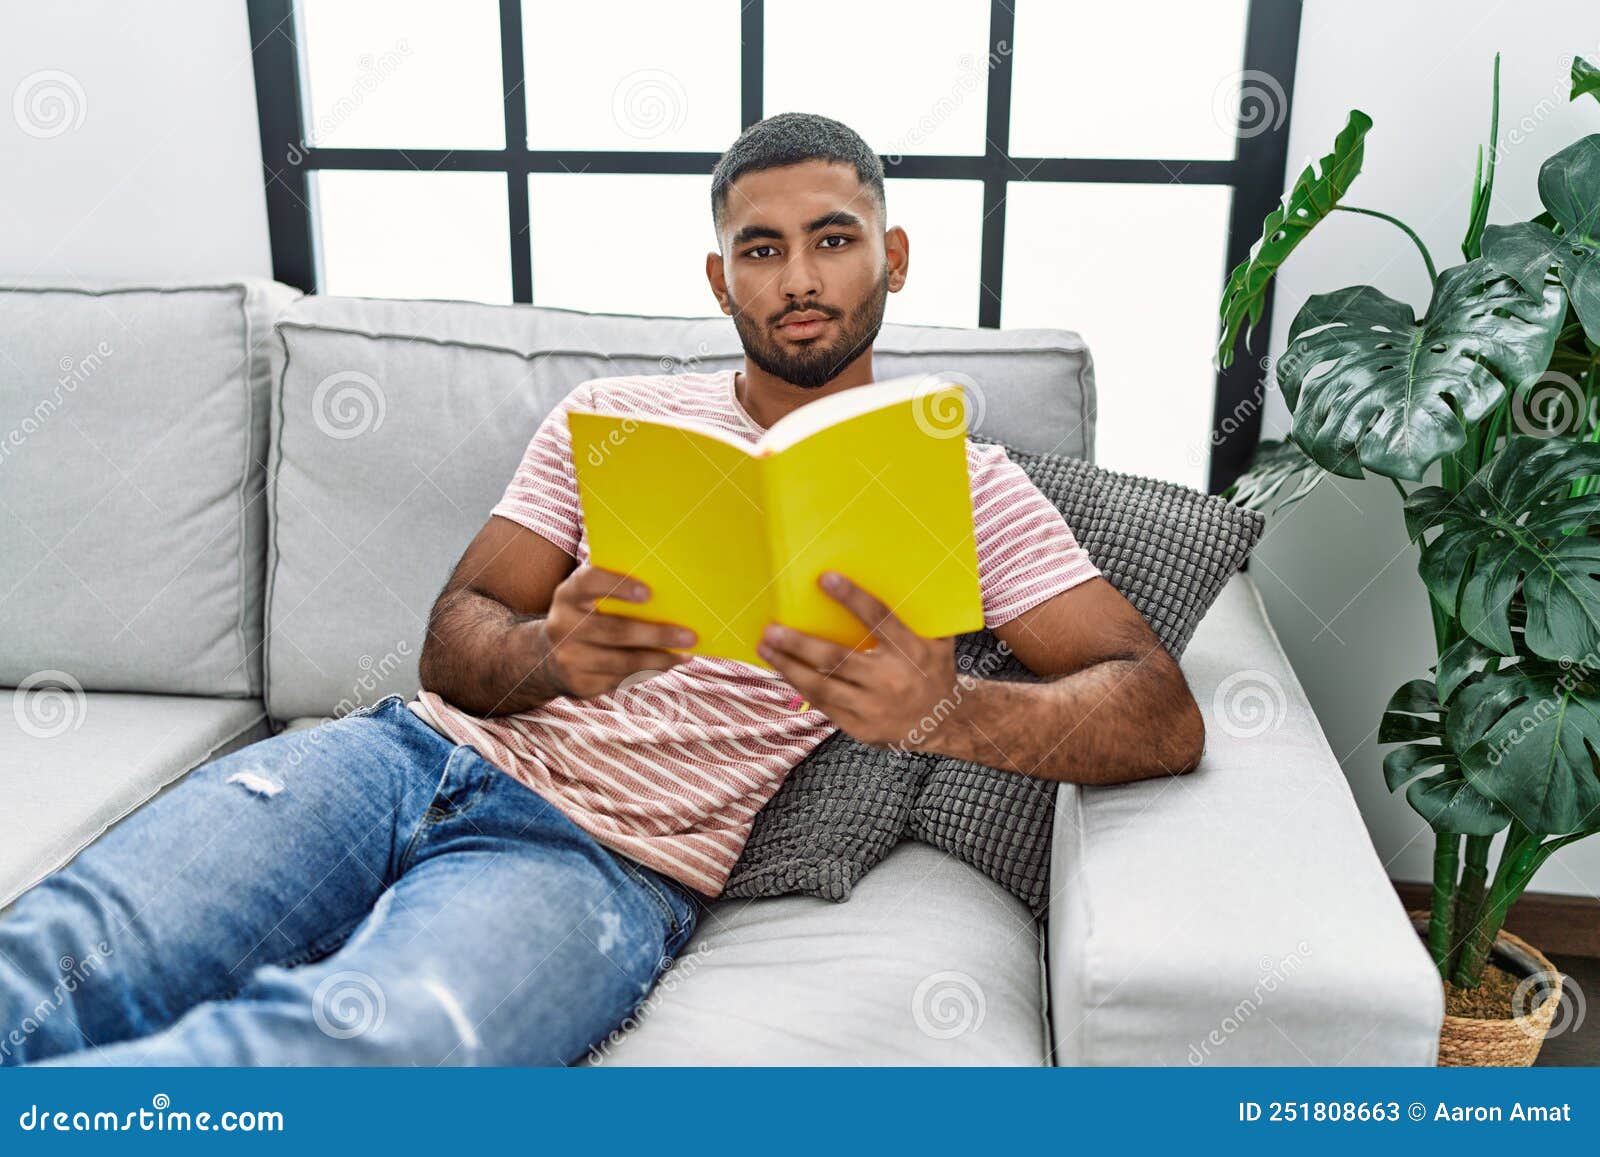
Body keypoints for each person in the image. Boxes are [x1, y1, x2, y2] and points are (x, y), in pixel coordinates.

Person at [0, 112, 1203, 1067]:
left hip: (605, 859)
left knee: (383, 1052)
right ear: (718, 277)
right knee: (61, 956)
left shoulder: (966, 483)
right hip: (399, 758)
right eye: (760, 248)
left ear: (890, 255)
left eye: (832, 238)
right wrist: (549, 655)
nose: (798, 277)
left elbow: (1159, 709)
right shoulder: (610, 421)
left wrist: (945, 713)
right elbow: (453, 640)